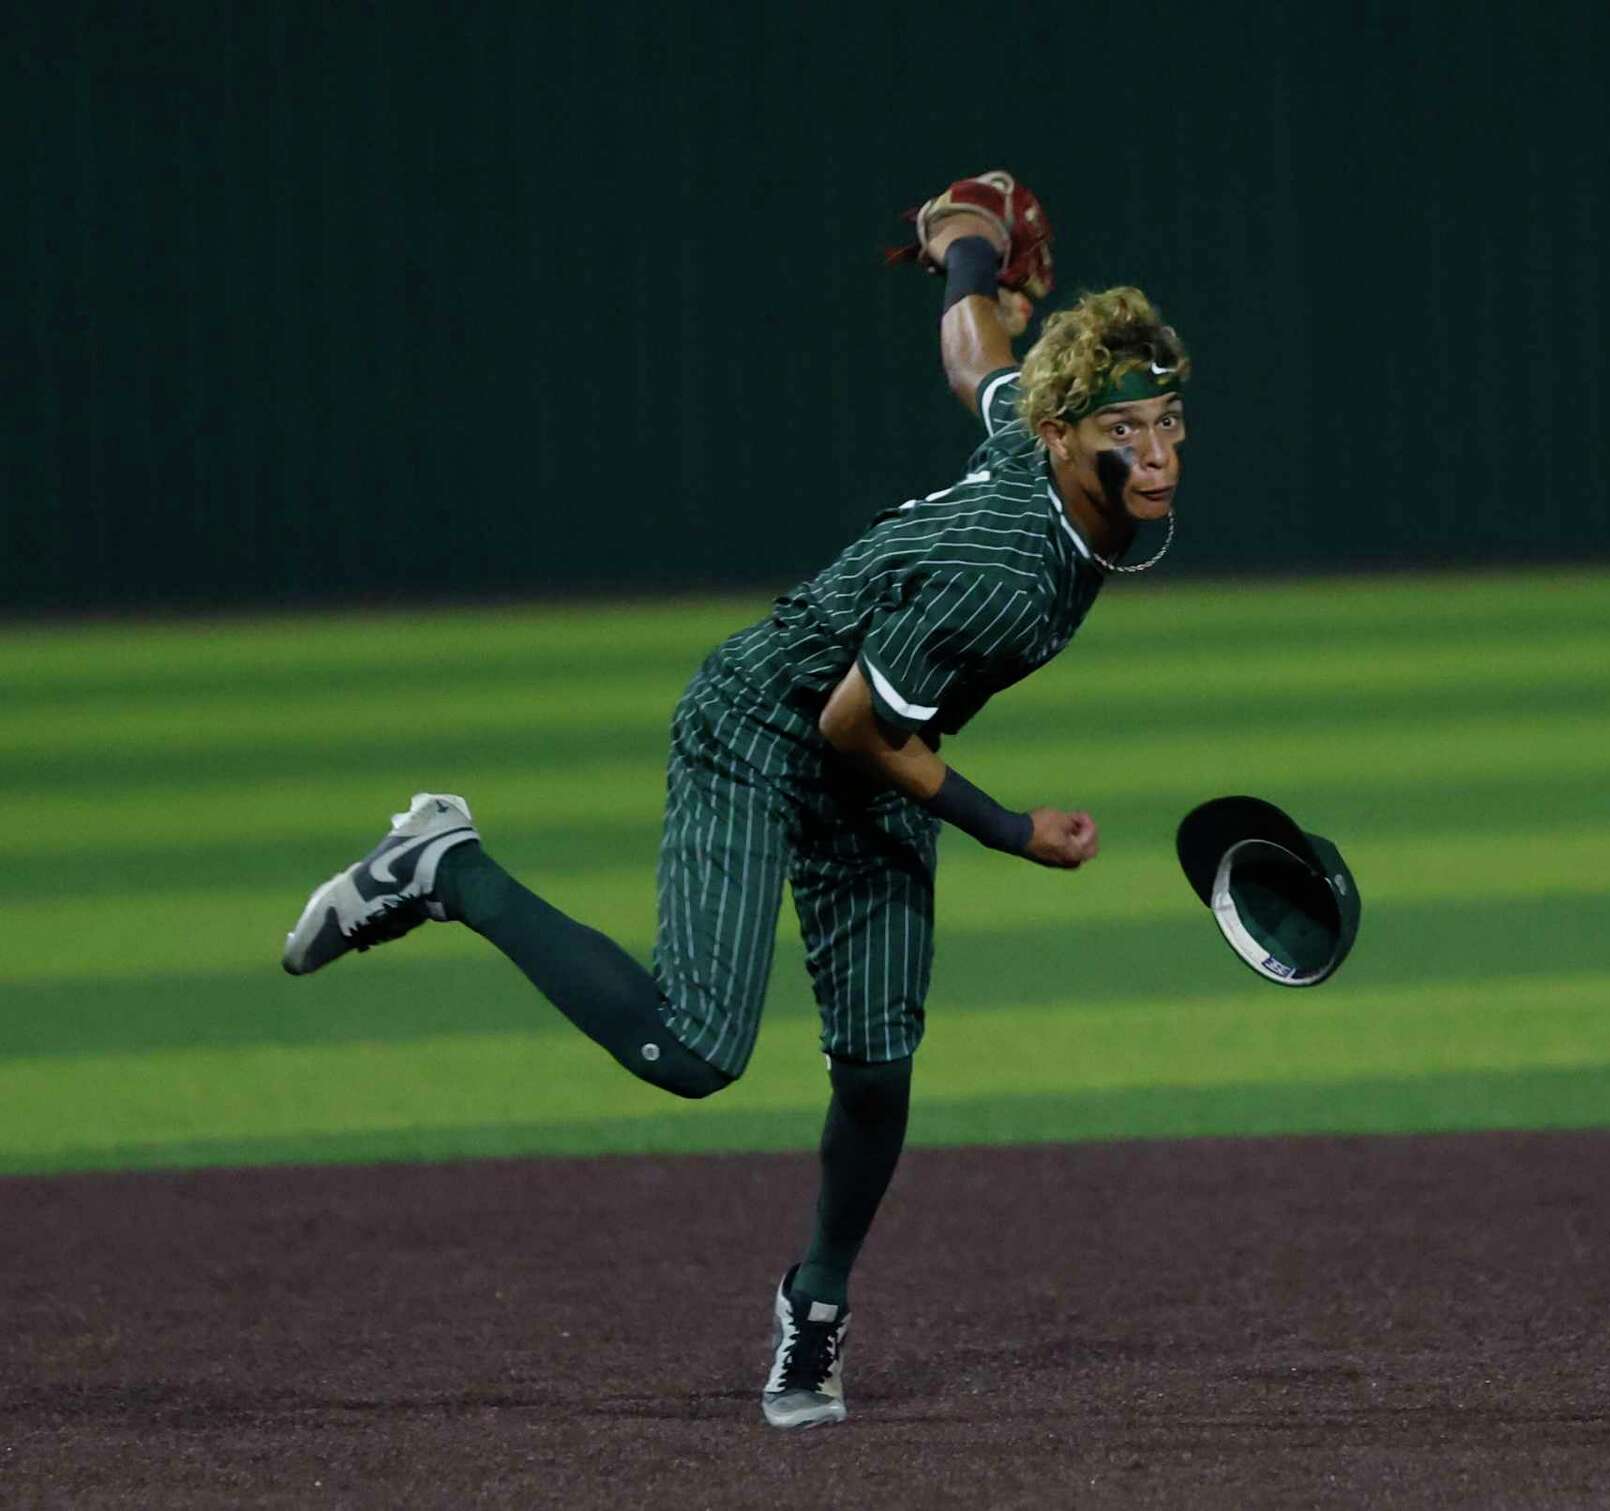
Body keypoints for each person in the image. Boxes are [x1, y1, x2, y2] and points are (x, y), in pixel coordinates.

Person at [281, 176, 1190, 1431]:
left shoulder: (1025, 437)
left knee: (877, 1069)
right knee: (697, 1049)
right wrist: (1012, 829)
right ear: (1062, 435)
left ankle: (812, 1312)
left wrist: (968, 250)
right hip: (769, 727)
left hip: (873, 753)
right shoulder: (1010, 572)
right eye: (1125, 428)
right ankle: (447, 869)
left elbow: (978, 356)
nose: (1153, 453)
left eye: (1168, 422)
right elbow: (853, 726)